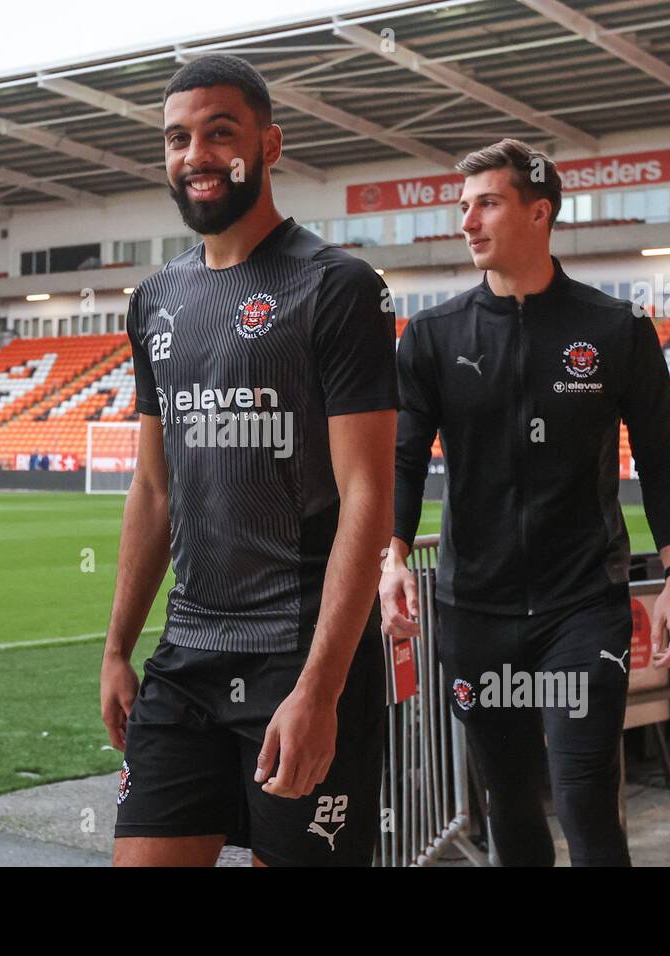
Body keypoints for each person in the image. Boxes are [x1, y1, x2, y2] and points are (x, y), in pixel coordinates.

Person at [101, 53, 398, 867]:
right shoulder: (155, 299)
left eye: (217, 133)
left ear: (269, 146)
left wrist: (322, 688)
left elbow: (369, 496)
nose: (194, 154)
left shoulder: (337, 288)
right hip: (188, 656)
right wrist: (119, 648)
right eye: (175, 138)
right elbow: (155, 490)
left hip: (298, 655)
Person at [380, 139, 670, 867]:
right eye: (462, 207)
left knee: (586, 796)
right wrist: (391, 557)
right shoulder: (432, 337)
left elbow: (660, 461)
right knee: (512, 807)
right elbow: (402, 458)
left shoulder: (617, 329)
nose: (467, 222)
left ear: (539, 213)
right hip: (474, 611)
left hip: (584, 604)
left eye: (486, 203)